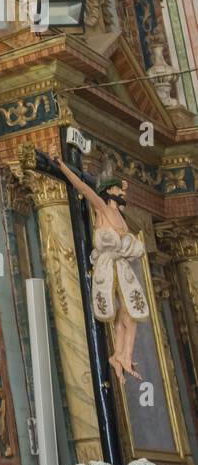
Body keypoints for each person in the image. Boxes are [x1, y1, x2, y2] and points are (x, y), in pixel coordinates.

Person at [51, 154, 149, 384]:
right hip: (108, 267)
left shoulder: (120, 216)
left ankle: (122, 355)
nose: (124, 194)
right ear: (110, 191)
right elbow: (82, 186)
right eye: (120, 190)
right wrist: (63, 166)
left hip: (121, 268)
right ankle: (120, 356)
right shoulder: (103, 209)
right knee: (124, 311)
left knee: (129, 313)